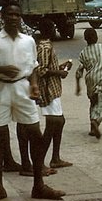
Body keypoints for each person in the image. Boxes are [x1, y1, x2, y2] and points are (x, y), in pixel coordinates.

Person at [0, 1, 65, 201]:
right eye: (10, 14)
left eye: (17, 15)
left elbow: (33, 66)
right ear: (3, 17)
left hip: (23, 89)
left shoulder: (28, 41)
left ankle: (38, 184)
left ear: (20, 18)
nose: (14, 18)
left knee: (35, 133)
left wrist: (34, 85)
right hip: (0, 89)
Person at [35, 18, 72, 169]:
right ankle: (40, 161)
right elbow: (41, 70)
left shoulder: (48, 46)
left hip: (54, 89)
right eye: (52, 27)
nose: (54, 30)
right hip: (48, 90)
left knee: (59, 122)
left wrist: (60, 67)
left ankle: (55, 157)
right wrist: (59, 72)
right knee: (53, 124)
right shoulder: (45, 47)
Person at [76, 27, 102, 139]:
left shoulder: (83, 52)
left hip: (90, 79)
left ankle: (92, 128)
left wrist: (78, 86)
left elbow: (79, 70)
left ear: (85, 39)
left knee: (93, 101)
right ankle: (96, 121)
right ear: (97, 37)